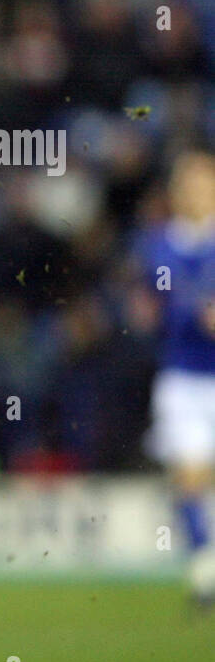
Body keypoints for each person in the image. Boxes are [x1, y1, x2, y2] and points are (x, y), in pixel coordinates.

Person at [136, 150, 215, 606]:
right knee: (190, 472)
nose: (196, 191)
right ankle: (204, 569)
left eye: (203, 182)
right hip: (184, 376)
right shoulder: (161, 243)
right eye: (188, 182)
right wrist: (195, 311)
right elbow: (159, 294)